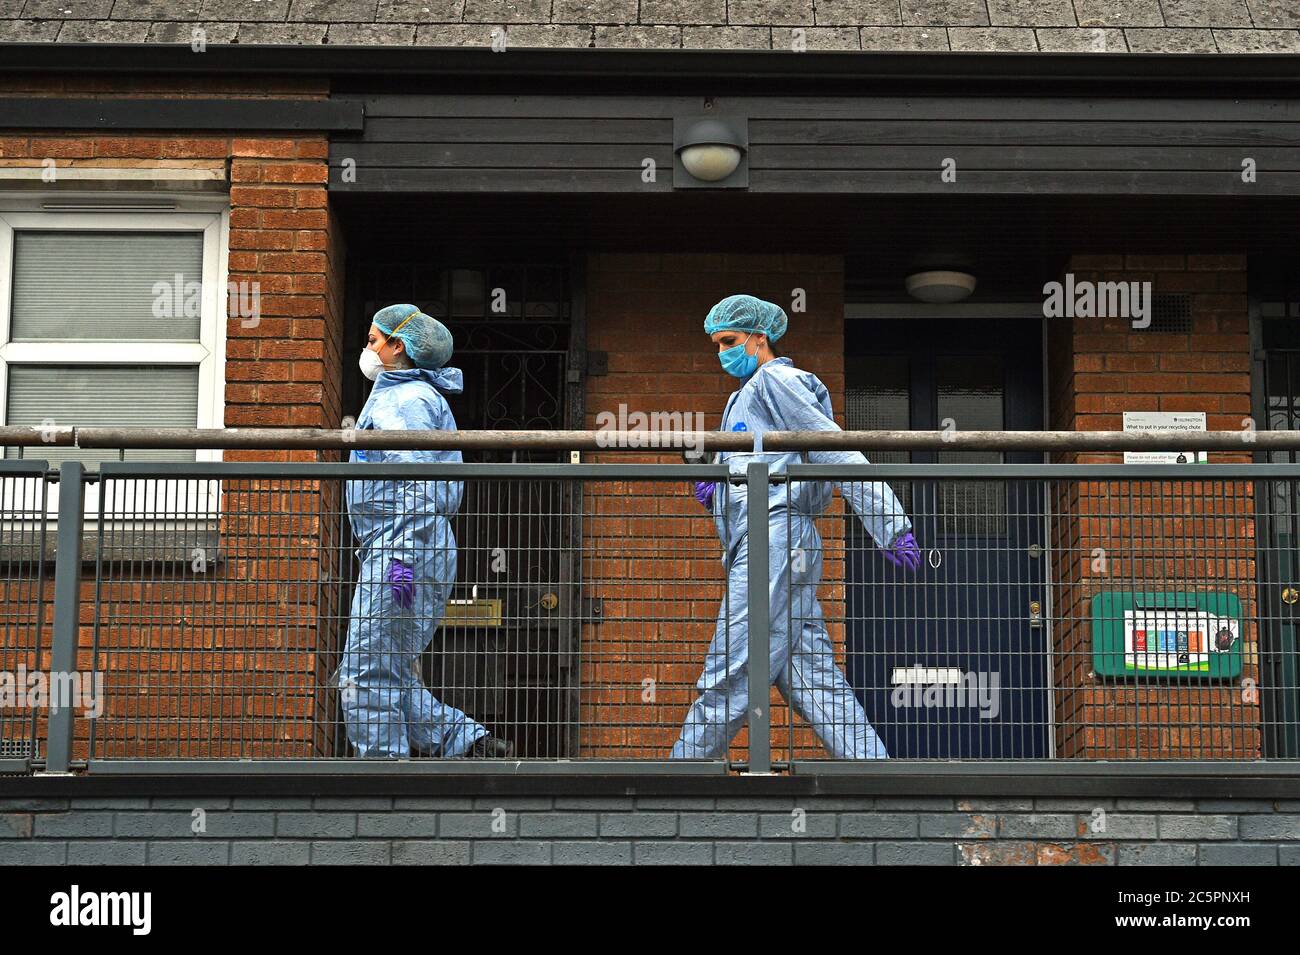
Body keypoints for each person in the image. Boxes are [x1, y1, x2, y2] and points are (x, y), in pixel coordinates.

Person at [672, 294, 921, 760]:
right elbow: (761, 467)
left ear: (759, 338)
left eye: (729, 341)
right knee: (813, 678)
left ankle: (674, 779)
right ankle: (877, 775)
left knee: (732, 663)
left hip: (774, 540)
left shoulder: (777, 380)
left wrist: (889, 524)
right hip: (773, 542)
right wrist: (716, 488)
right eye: (717, 344)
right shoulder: (743, 396)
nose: (721, 352)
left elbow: (832, 447)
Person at [337, 303, 513, 759]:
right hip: (408, 551)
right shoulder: (409, 396)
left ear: (397, 346)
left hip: (400, 555)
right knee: (388, 666)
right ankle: (469, 742)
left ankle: (384, 775)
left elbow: (413, 477)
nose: (367, 349)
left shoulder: (403, 400)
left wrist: (400, 556)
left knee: (366, 670)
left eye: (374, 340)